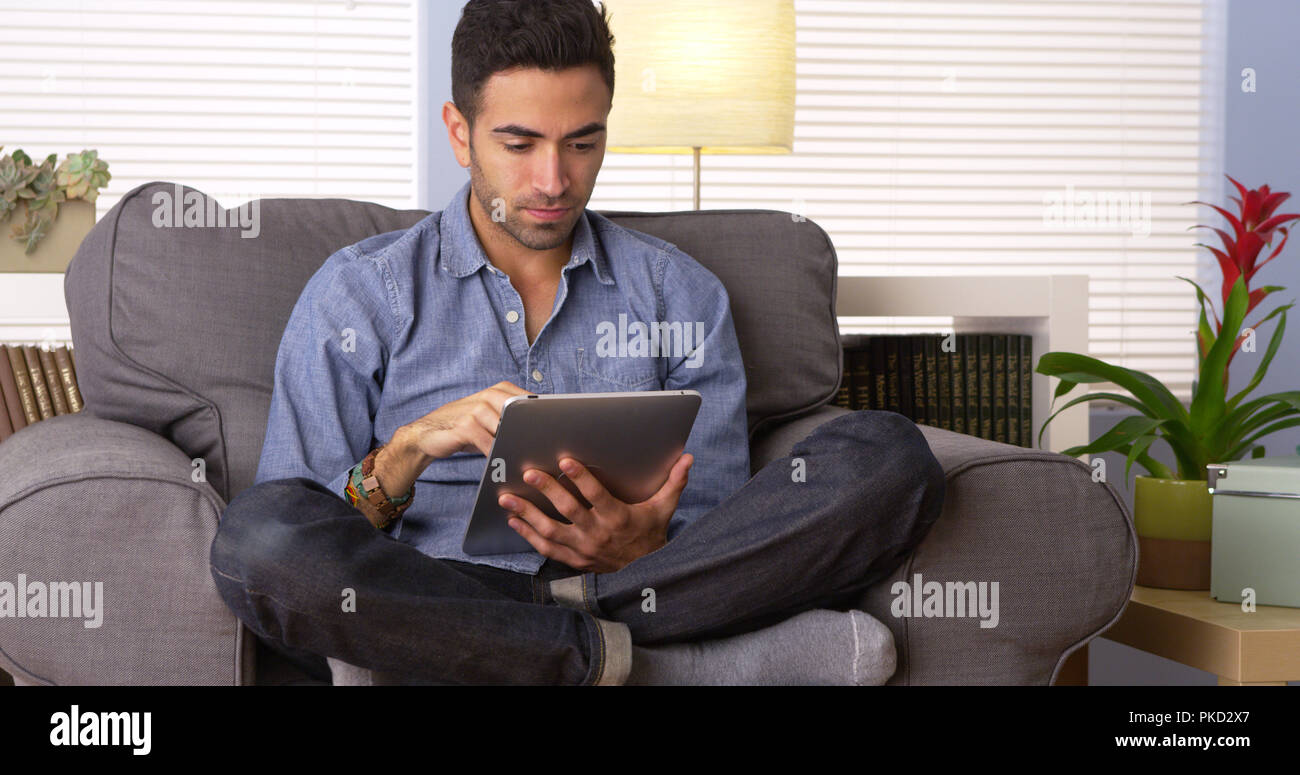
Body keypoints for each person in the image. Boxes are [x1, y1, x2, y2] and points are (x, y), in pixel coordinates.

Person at [209, 0, 945, 685]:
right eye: (519, 143)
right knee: (257, 541)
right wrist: (407, 450)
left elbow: (722, 534)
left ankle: (548, 640)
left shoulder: (680, 295)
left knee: (891, 458)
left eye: (582, 142)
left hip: (642, 585)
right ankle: (637, 664)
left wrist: (640, 547)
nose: (554, 180)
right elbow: (298, 517)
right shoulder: (361, 292)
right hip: (436, 590)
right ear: (459, 132)